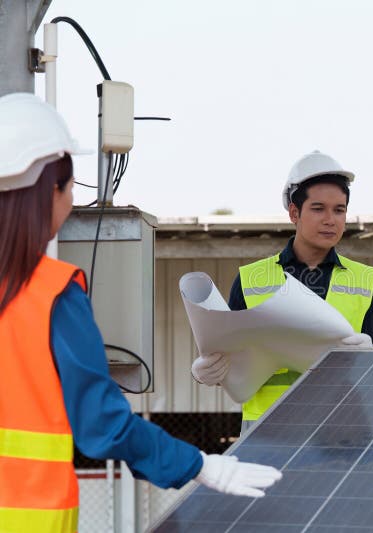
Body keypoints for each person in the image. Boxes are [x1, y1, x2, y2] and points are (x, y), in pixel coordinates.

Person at [0, 93, 282, 532]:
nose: (73, 199)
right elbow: (103, 425)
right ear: (45, 191)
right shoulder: (50, 294)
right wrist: (201, 466)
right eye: (70, 186)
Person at [192, 150, 373, 431]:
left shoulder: (366, 280)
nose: (330, 219)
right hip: (268, 432)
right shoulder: (250, 279)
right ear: (294, 212)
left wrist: (372, 360)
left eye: (339, 210)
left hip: (343, 430)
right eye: (318, 208)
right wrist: (206, 372)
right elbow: (228, 359)